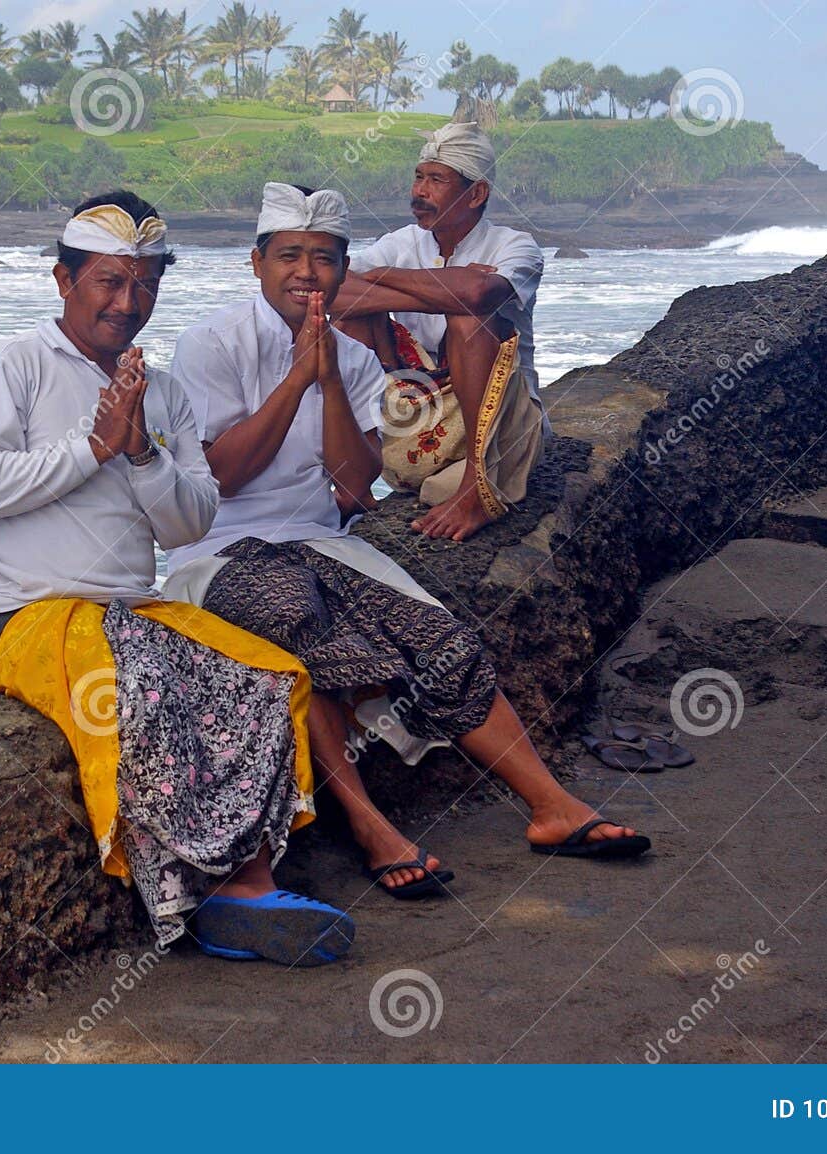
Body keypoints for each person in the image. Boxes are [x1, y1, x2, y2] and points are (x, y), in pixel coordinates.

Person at [161, 182, 650, 900]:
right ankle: (370, 826)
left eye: (324, 259)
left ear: (343, 268)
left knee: (443, 638)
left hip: (319, 537)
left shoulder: (353, 360)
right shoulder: (212, 343)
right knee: (298, 626)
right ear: (256, 264)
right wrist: (297, 377)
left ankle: (550, 806)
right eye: (290, 257)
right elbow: (225, 477)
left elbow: (356, 489)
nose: (307, 273)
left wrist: (328, 381)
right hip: (220, 550)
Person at [0, 190, 353, 965]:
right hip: (30, 612)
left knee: (264, 674)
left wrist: (139, 454)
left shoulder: (160, 391)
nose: (130, 304)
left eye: (147, 284)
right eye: (109, 283)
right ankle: (226, 895)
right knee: (151, 685)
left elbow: (190, 521)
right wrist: (89, 450)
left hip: (130, 606)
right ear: (63, 281)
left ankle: (241, 884)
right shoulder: (11, 365)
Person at [333, 121, 549, 543]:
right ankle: (352, 486)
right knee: (350, 320)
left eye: (436, 180)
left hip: (497, 425)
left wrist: (383, 283)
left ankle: (475, 487)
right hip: (419, 411)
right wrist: (432, 285)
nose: (419, 191)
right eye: (418, 177)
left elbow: (478, 295)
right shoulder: (402, 243)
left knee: (470, 321)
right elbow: (335, 293)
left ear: (477, 194)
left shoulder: (516, 247)